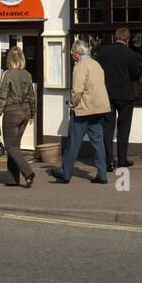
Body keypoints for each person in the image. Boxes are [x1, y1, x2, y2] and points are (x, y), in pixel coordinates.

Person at [50, 40, 110, 185]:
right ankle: (102, 174)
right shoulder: (96, 64)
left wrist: (72, 104)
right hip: (98, 108)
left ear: (77, 53)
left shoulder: (80, 66)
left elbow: (77, 90)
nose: (71, 55)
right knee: (98, 142)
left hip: (83, 110)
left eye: (72, 53)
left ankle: (65, 173)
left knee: (73, 143)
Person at [96, 27, 141, 171]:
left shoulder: (103, 52)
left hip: (107, 94)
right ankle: (122, 160)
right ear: (127, 41)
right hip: (125, 95)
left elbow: (98, 72)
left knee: (107, 128)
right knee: (123, 128)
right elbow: (135, 75)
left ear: (115, 37)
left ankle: (108, 161)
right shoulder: (130, 54)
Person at [0, 45, 37, 187]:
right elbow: (32, 96)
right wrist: (32, 113)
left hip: (12, 113)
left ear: (9, 59)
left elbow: (2, 96)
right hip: (24, 112)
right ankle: (12, 180)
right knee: (15, 146)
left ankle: (28, 172)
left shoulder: (8, 74)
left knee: (10, 146)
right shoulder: (28, 75)